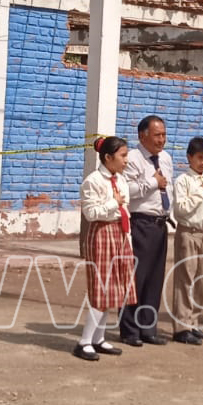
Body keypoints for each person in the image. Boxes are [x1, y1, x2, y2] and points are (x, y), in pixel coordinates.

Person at [74, 136, 132, 362]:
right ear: (108, 157)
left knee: (113, 288)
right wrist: (114, 203)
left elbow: (125, 210)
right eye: (122, 156)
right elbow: (91, 213)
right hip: (101, 234)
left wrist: (127, 237)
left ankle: (99, 338)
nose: (126, 160)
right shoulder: (93, 181)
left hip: (119, 234)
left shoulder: (121, 179)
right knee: (101, 288)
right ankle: (84, 341)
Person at [120, 115, 173, 346]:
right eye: (157, 135)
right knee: (136, 278)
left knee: (154, 279)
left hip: (160, 224)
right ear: (142, 136)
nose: (161, 140)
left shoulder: (166, 158)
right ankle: (130, 330)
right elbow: (126, 190)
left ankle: (148, 328)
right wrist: (153, 182)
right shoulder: (132, 158)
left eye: (164, 134)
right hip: (140, 223)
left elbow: (169, 187)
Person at [169, 137, 203, 345]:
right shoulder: (183, 181)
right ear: (189, 157)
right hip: (188, 233)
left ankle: (193, 321)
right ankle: (181, 326)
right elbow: (181, 209)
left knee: (202, 280)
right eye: (200, 158)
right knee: (185, 279)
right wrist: (200, 193)